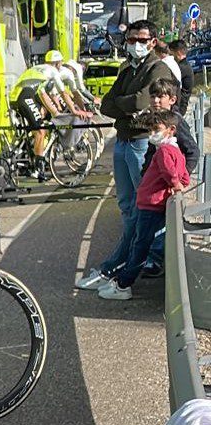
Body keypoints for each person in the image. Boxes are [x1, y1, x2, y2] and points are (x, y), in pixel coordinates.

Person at [78, 20, 174, 290]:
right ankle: (133, 255)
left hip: (141, 141)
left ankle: (145, 258)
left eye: (141, 40)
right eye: (131, 40)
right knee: (127, 204)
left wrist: (123, 103)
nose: (135, 45)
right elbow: (107, 104)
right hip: (123, 140)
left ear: (153, 42)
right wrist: (125, 105)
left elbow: (141, 101)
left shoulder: (158, 68)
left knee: (145, 206)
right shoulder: (129, 68)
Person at [94, 109, 191, 300]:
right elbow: (184, 176)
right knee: (141, 243)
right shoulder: (177, 151)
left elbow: (169, 173)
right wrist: (179, 184)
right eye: (151, 130)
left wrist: (175, 184)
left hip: (150, 205)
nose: (152, 134)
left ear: (171, 130)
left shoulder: (164, 151)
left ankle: (124, 284)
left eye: (157, 129)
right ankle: (123, 280)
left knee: (140, 245)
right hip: (154, 204)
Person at [137, 77, 198, 278]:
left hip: (167, 185)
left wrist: (180, 178)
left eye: (160, 97)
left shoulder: (173, 122)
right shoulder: (157, 120)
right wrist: (145, 174)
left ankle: (154, 261)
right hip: (155, 183)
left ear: (171, 99)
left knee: (160, 226)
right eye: (152, 96)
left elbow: (192, 151)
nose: (155, 101)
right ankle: (148, 259)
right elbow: (151, 154)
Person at [170, 38, 194, 114]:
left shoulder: (182, 67)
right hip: (179, 104)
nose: (171, 57)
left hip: (179, 106)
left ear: (178, 52)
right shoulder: (184, 65)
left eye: (171, 53)